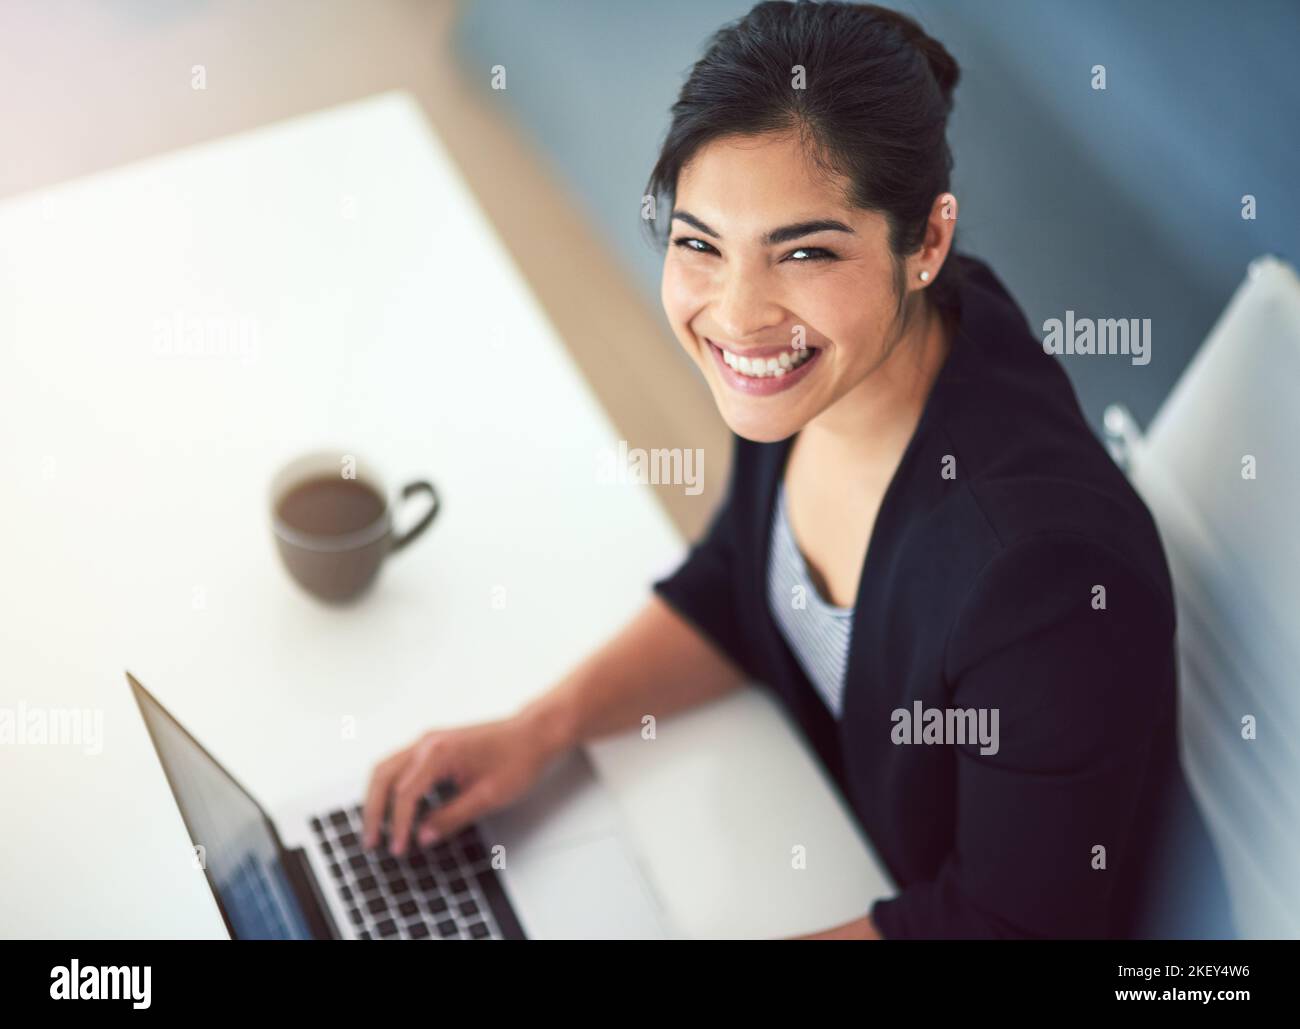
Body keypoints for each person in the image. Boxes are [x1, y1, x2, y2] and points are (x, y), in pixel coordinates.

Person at [362, 0, 1232, 939]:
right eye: (700, 243)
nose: (737, 317)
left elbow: (1004, 928)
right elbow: (743, 578)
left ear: (927, 244)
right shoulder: (817, 373)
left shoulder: (1044, 580)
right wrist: (539, 730)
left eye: (804, 252)